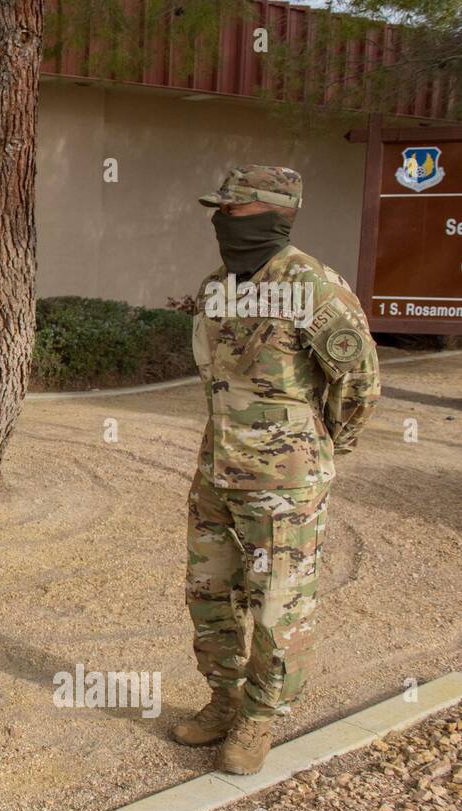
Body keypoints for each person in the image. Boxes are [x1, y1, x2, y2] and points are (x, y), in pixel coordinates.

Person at [174, 165, 380, 774]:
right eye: (219, 210)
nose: (219, 220)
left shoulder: (314, 286)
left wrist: (319, 449)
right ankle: (222, 698)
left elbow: (359, 382)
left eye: (231, 210)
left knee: (276, 602)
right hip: (217, 471)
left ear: (271, 213)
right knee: (209, 590)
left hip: (285, 484)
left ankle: (259, 719)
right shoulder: (218, 286)